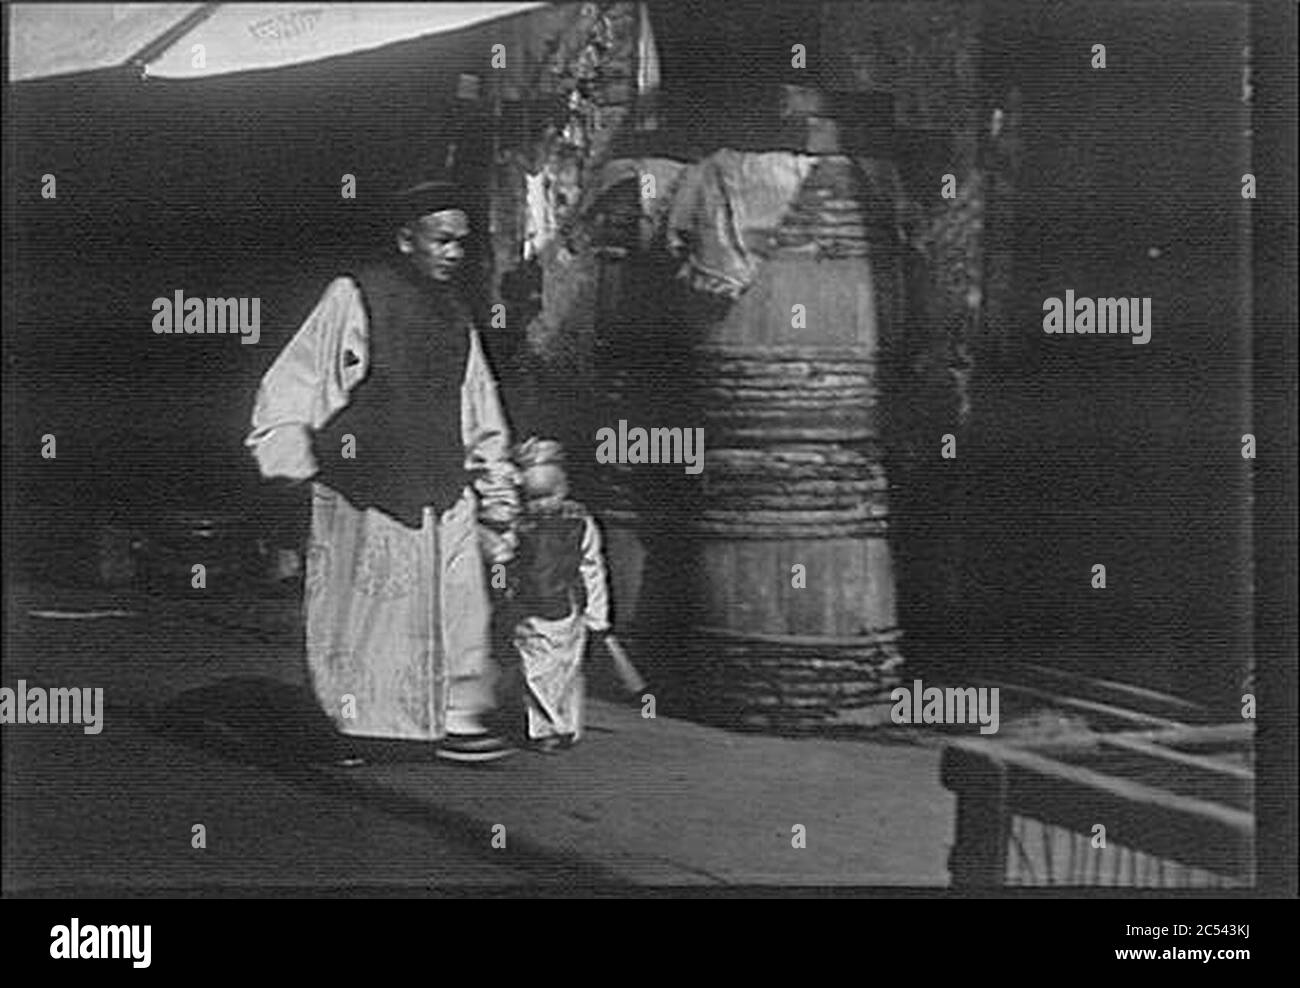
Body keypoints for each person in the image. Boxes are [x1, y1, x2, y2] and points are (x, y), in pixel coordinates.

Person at [245, 180, 519, 762]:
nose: (452, 253)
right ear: (405, 239)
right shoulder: (355, 296)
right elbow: (301, 381)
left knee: (459, 608)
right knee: (366, 612)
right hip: (366, 485)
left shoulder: (454, 315)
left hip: (442, 485)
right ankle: (358, 722)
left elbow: (477, 402)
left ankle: (457, 714)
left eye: (461, 243)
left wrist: (494, 485)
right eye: (440, 240)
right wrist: (290, 465)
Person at [508, 438, 642, 751]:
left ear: (564, 487)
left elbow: (592, 568)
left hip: (568, 611)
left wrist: (597, 615)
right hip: (529, 611)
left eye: (547, 496)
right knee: (536, 670)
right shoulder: (518, 525)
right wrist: (504, 592)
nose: (540, 505)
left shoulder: (579, 524)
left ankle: (566, 725)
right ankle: (545, 730)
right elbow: (504, 563)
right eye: (531, 498)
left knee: (568, 671)